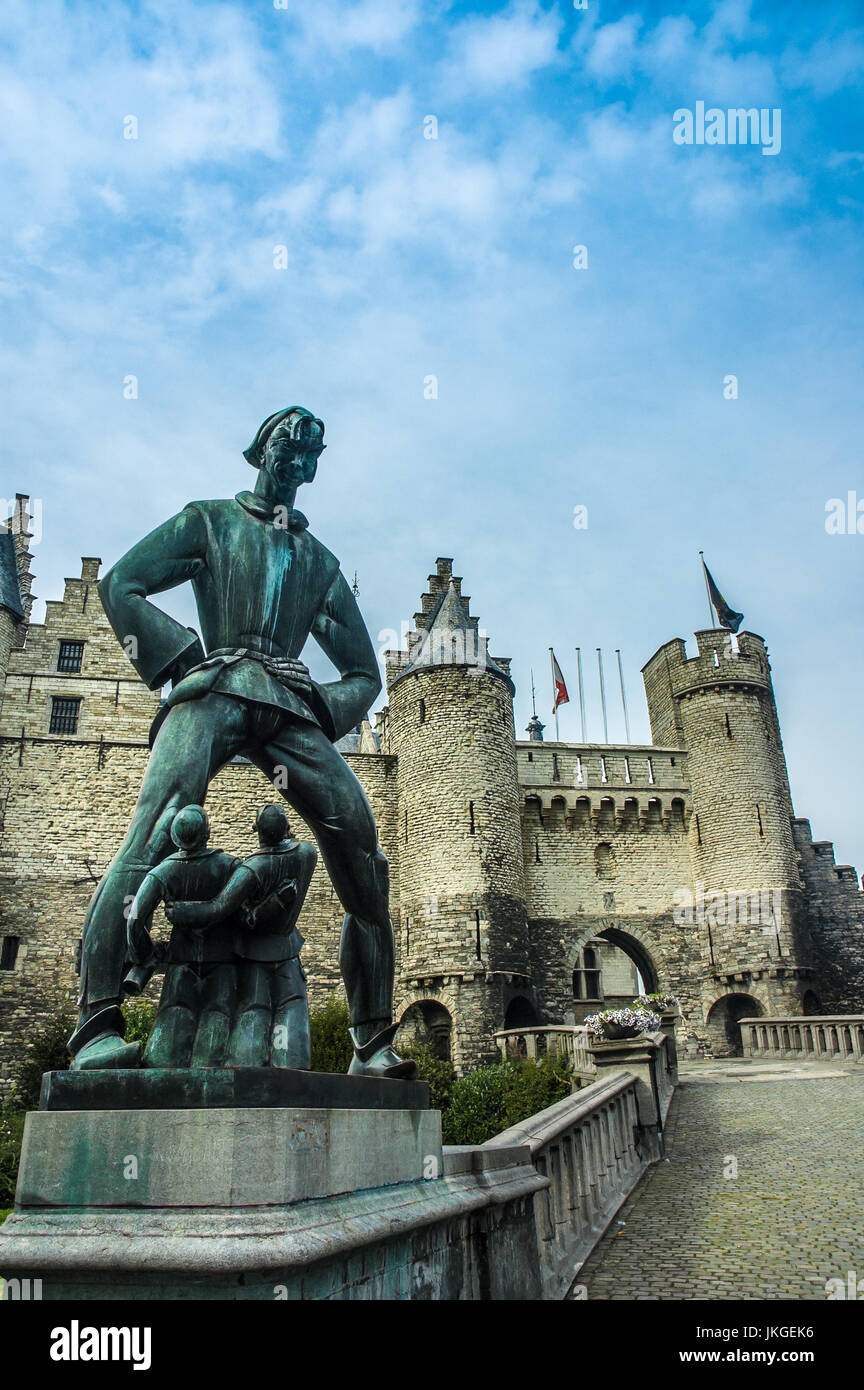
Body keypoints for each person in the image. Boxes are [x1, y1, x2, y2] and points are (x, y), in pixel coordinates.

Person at [70, 406, 414, 1079]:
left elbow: (365, 674)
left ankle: (372, 1044)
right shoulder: (208, 521)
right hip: (216, 688)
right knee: (155, 831)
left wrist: (314, 698)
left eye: (312, 452)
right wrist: (185, 661)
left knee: (364, 860)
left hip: (287, 708)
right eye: (288, 445)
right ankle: (96, 1028)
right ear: (262, 450)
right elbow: (122, 585)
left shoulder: (316, 561)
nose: (298, 460)